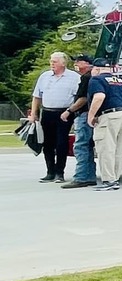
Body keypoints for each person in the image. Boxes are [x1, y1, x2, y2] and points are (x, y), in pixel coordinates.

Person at [28, 52, 81, 183]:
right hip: (47, 112)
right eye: (51, 61)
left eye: (55, 61)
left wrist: (70, 111)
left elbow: (79, 97)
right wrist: (34, 113)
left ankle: (59, 172)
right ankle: (50, 172)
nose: (52, 64)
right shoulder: (44, 76)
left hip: (64, 113)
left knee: (61, 142)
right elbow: (37, 96)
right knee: (47, 143)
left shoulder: (74, 77)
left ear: (63, 63)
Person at [87, 67, 122, 191]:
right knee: (120, 150)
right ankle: (115, 179)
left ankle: (108, 181)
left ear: (96, 69)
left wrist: (91, 116)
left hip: (110, 116)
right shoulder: (119, 80)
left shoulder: (96, 79)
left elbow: (99, 96)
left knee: (106, 149)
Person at [60, 55, 98, 188]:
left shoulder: (87, 77)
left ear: (87, 64)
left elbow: (83, 98)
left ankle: (81, 177)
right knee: (88, 146)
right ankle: (90, 176)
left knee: (81, 145)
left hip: (84, 114)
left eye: (78, 61)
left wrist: (69, 111)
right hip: (93, 114)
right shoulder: (96, 77)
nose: (75, 64)